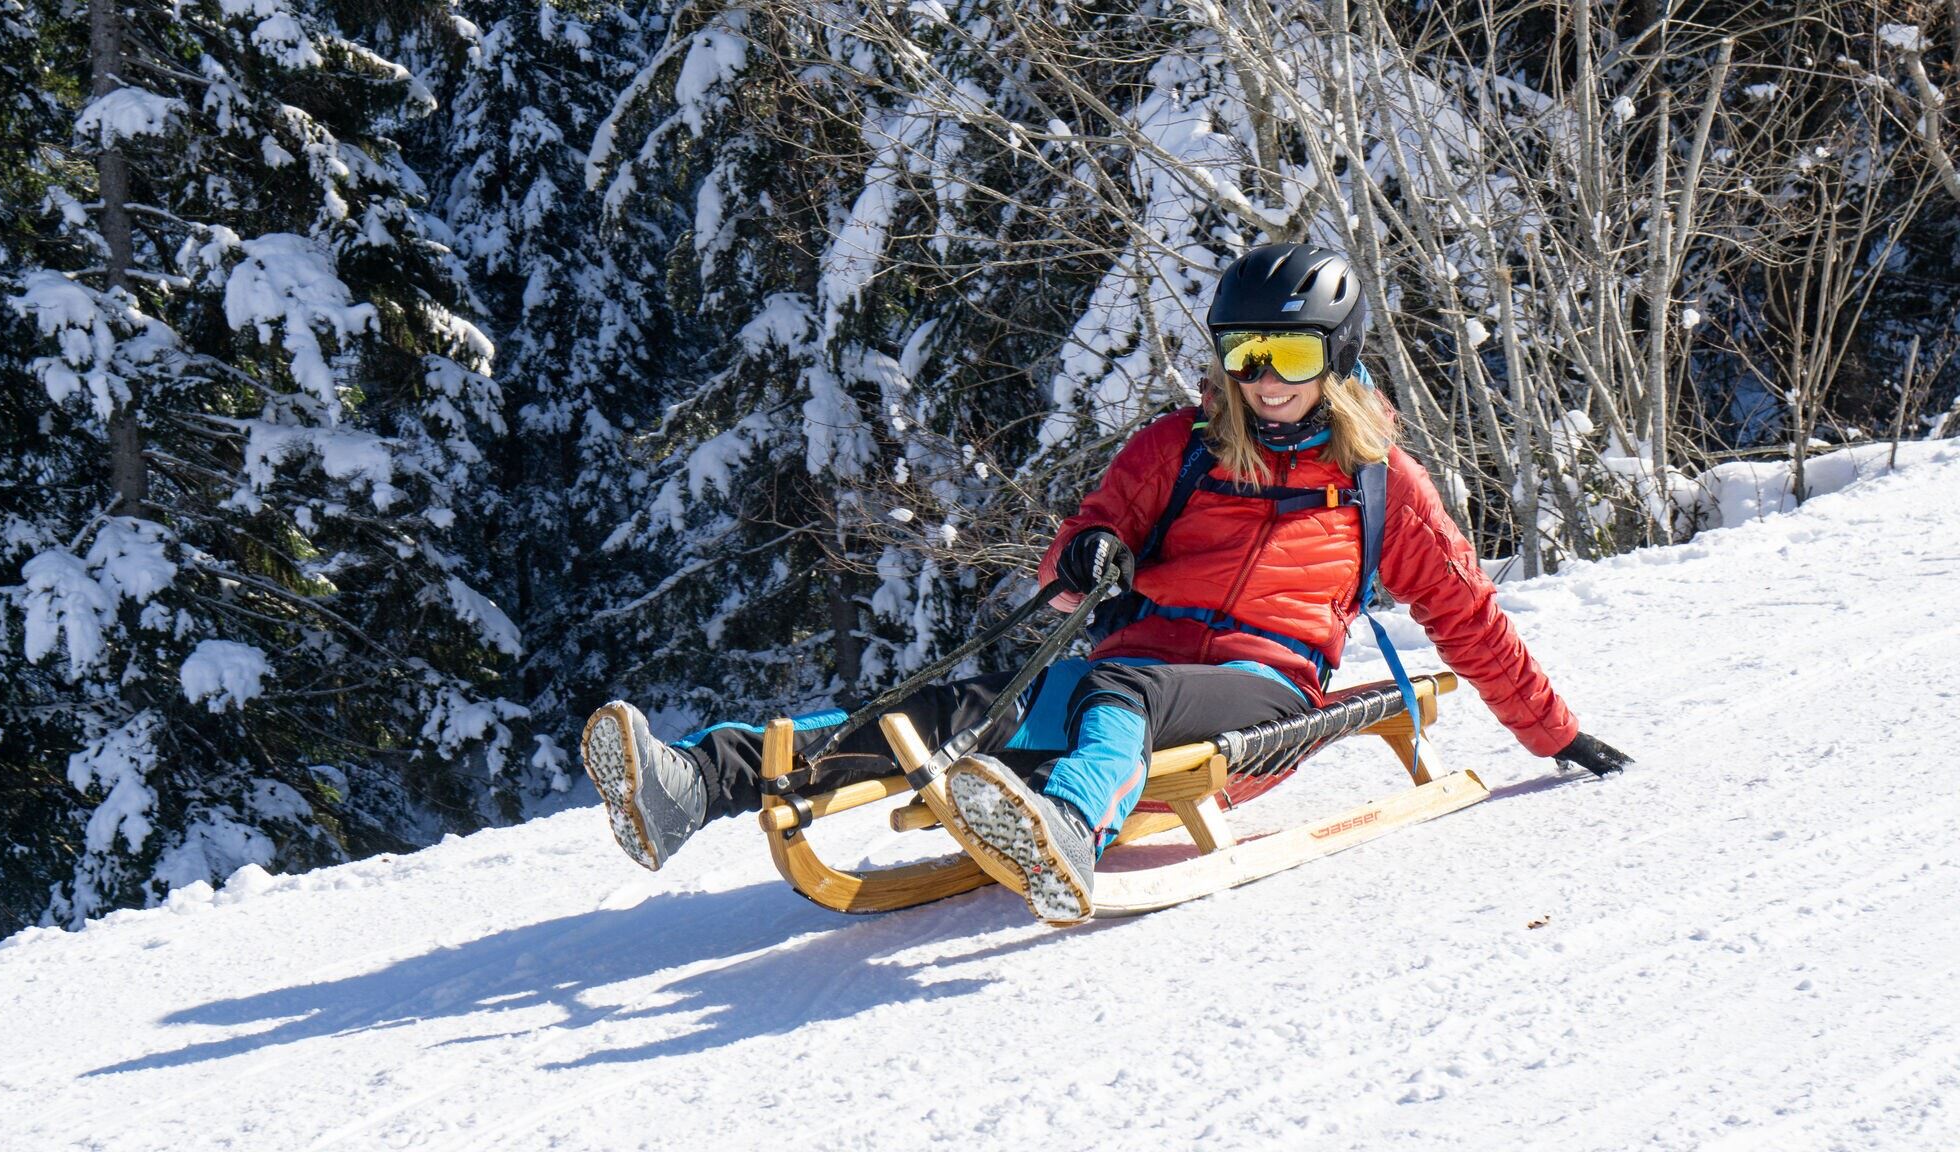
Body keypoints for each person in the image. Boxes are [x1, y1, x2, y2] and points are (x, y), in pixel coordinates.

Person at [583, 242, 1631, 924]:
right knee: (954, 709)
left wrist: (1553, 734)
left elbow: (1465, 613)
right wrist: (1084, 558)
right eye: (1245, 355)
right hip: (1120, 676)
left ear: (1338, 357)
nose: (1263, 380)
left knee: (1120, 689)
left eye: (1290, 355)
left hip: (1261, 695)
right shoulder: (1177, 448)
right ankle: (697, 783)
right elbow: (1081, 546)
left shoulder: (1378, 484)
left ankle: (1067, 833)